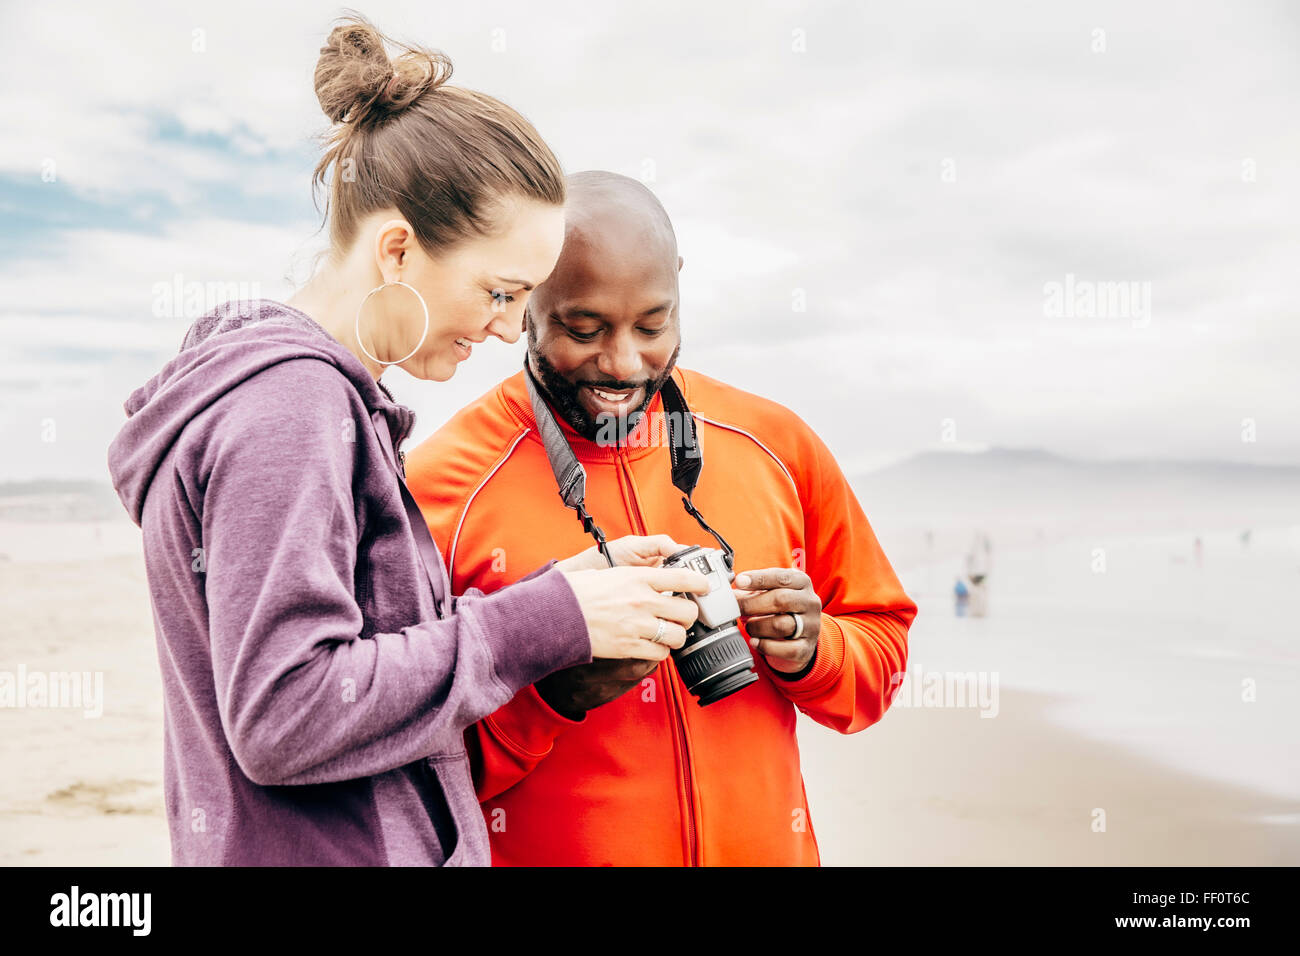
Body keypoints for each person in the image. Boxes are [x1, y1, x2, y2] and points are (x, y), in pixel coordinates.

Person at [105, 18, 706, 867]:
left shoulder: (301, 393)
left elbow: (355, 648)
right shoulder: (292, 406)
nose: (506, 332)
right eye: (498, 292)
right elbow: (286, 712)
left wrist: (558, 593)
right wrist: (541, 624)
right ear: (397, 249)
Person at [406, 171, 918, 865]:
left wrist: (813, 649)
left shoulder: (775, 443)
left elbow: (881, 658)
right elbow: (399, 773)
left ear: (678, 287)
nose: (623, 363)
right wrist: (553, 693)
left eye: (653, 325)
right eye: (583, 329)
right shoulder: (438, 488)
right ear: (524, 302)